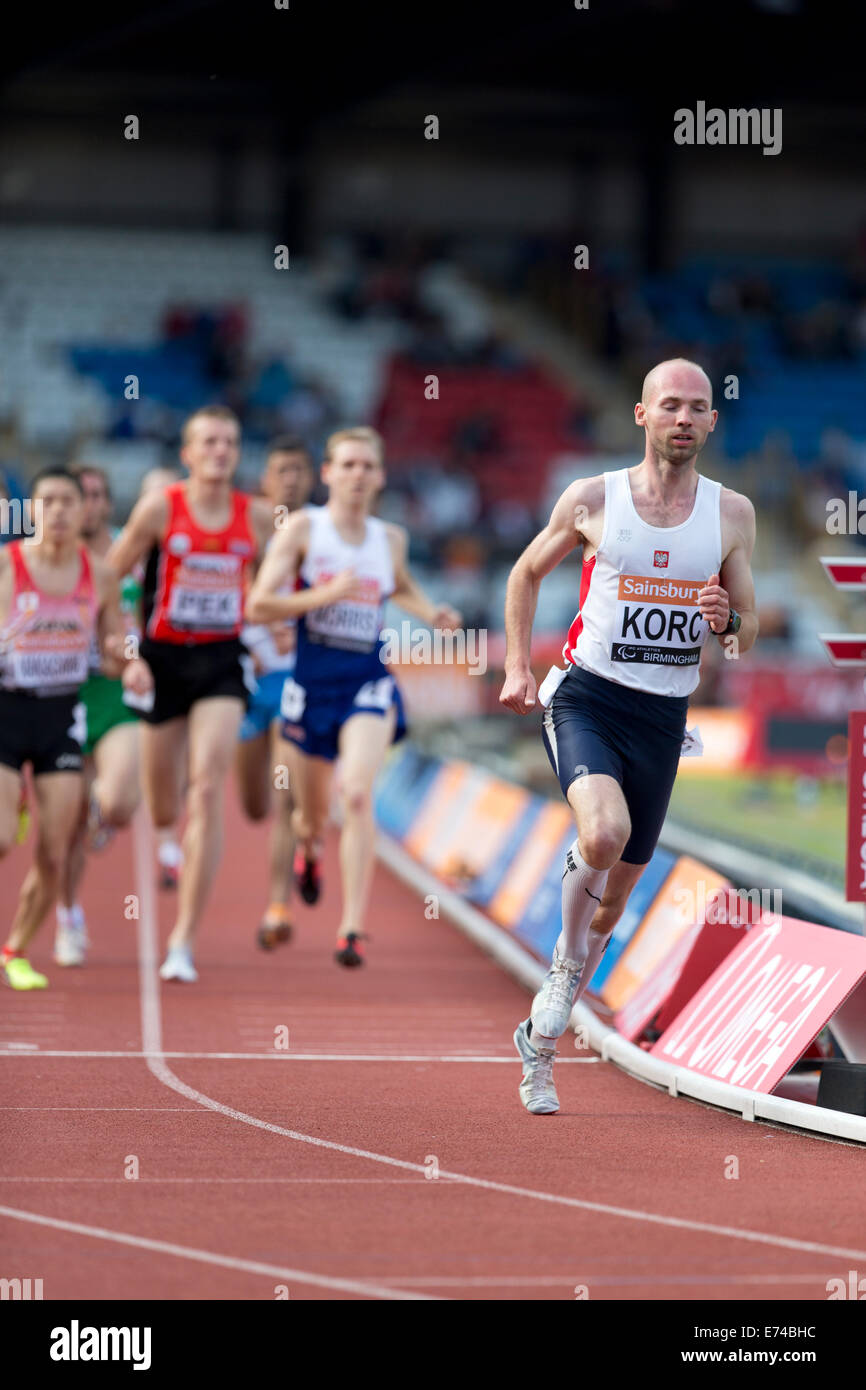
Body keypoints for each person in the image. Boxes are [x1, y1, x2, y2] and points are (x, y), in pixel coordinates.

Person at [499, 359, 758, 1114]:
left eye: (698, 408)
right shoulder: (593, 498)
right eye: (669, 405)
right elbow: (524, 572)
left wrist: (729, 624)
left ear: (712, 422)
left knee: (616, 898)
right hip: (587, 698)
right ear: (641, 415)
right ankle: (560, 978)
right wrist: (519, 665)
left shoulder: (732, 514)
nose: (684, 418)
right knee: (603, 833)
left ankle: (545, 1022)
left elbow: (747, 634)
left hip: (662, 717)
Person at [247, 426, 461, 967]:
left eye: (368, 466)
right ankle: (310, 851)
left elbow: (400, 584)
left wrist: (430, 610)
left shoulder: (388, 539)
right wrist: (325, 594)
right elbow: (258, 606)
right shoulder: (301, 530)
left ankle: (351, 927)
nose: (358, 475)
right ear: (328, 473)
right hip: (310, 685)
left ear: (381, 476)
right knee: (309, 817)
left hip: (367, 680)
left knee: (359, 794)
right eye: (347, 465)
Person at [106, 406, 275, 982]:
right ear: (188, 452)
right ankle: (162, 835)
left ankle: (182, 939)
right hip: (161, 662)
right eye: (209, 441)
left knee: (206, 785)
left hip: (221, 662)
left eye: (229, 441)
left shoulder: (255, 518)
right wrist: (128, 654)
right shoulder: (160, 508)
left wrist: (267, 627)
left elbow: (277, 585)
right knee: (164, 802)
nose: (221, 451)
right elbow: (110, 580)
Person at [0, 468, 152, 989]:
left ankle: (16, 950)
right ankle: (13, 803)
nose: (61, 511)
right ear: (32, 510)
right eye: (50, 501)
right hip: (7, 708)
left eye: (70, 501)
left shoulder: (101, 575)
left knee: (57, 846)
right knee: (1, 841)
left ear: (84, 510)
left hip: (62, 714)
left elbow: (114, 643)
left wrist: (128, 661)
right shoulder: (6, 566)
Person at [237, 438, 315, 949]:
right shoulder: (242, 527)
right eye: (280, 470)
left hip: (296, 678)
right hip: (246, 678)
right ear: (264, 478)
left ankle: (276, 905)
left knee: (287, 797)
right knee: (254, 806)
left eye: (298, 470)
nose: (289, 479)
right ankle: (307, 837)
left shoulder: (324, 533)